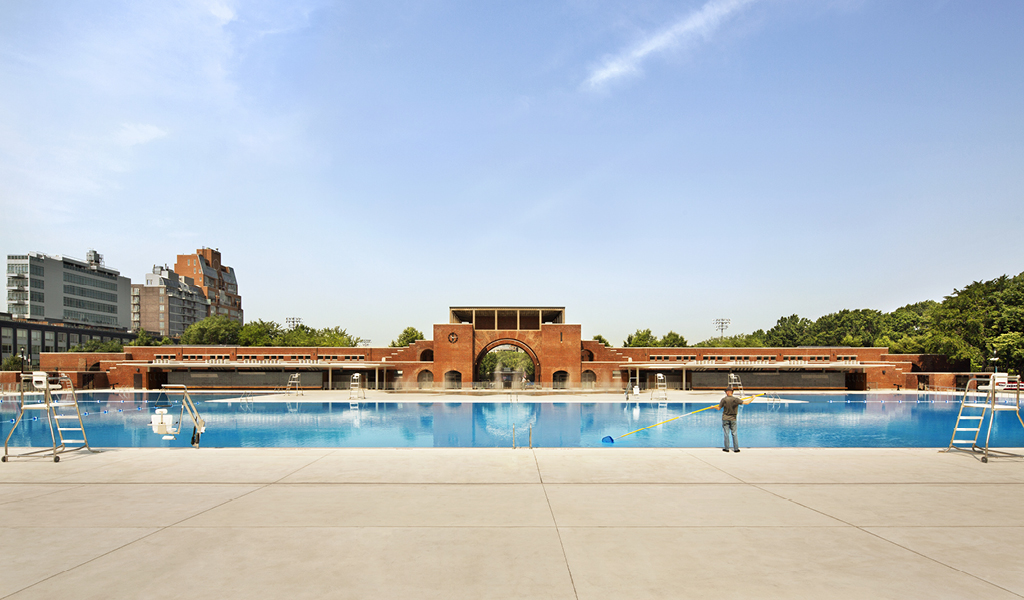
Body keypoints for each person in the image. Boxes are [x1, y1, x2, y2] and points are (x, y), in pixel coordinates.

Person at [716, 386, 752, 452]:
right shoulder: (736, 399)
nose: (726, 392)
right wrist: (753, 398)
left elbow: (718, 408)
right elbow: (747, 403)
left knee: (726, 433)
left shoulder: (724, 399)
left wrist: (713, 407)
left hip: (725, 418)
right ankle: (736, 449)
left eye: (726, 391)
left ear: (728, 392)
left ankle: (726, 448)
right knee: (734, 433)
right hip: (733, 419)